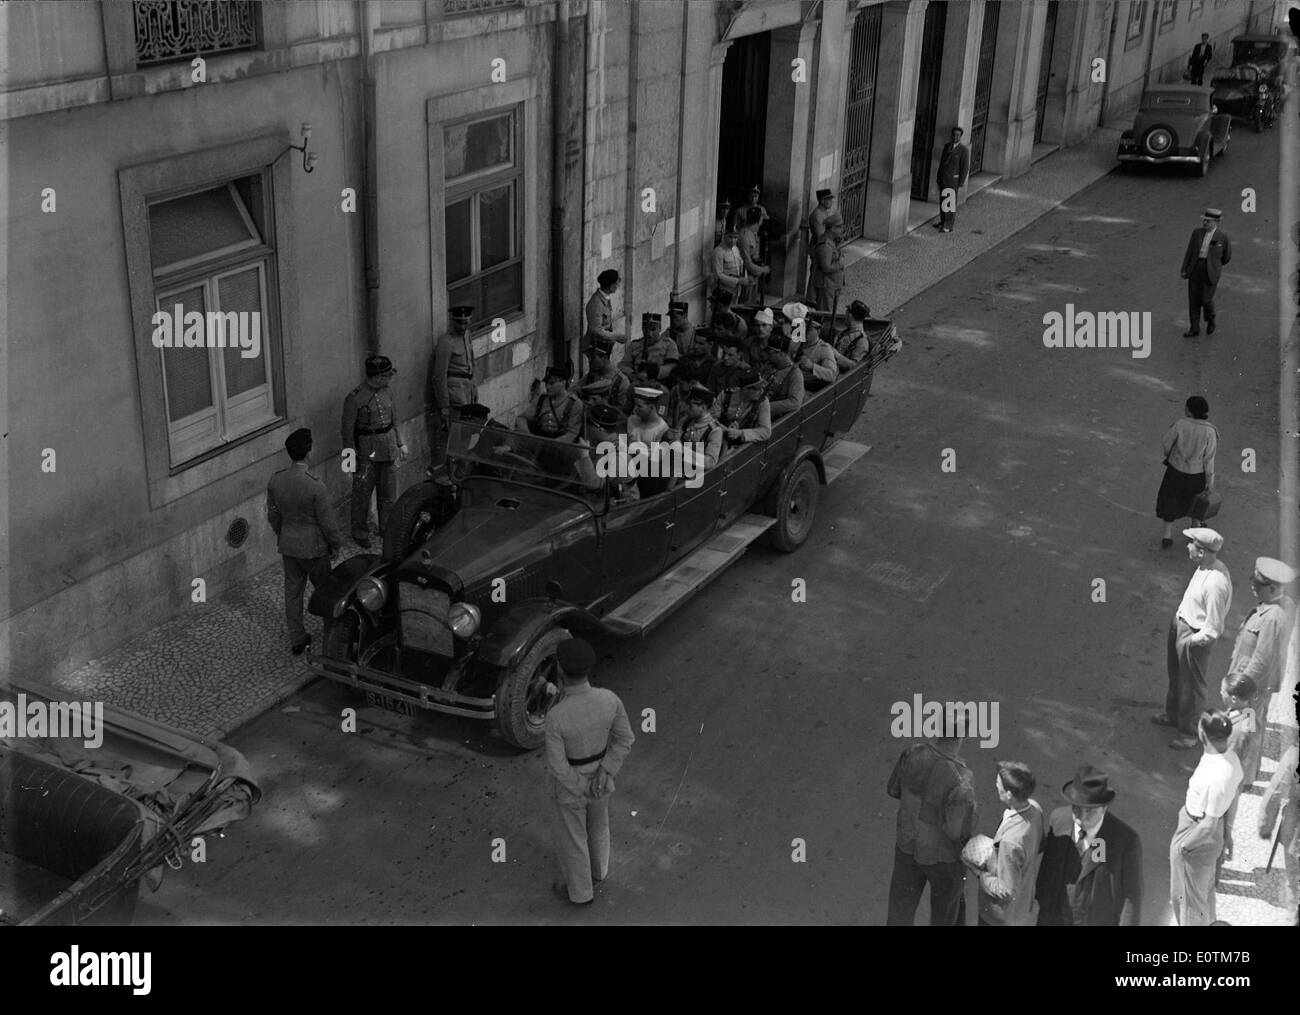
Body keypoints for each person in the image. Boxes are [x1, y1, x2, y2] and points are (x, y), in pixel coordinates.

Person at [544, 637, 635, 906]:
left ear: (560, 670)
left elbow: (558, 765)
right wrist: (605, 772)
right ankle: (600, 871)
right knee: (598, 827)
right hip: (601, 782)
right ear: (588, 669)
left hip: (572, 787)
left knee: (574, 840)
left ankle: (581, 894)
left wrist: (580, 785)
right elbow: (625, 739)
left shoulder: (556, 717)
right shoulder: (609, 699)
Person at [885, 733, 978, 926]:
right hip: (942, 859)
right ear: (962, 737)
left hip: (906, 846)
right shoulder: (961, 778)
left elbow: (893, 789)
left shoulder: (911, 754)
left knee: (899, 911)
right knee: (945, 916)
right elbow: (957, 832)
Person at [266, 428, 343, 655]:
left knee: (292, 593)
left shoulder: (276, 480)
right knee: (326, 592)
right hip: (315, 549)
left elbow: (272, 514)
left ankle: (297, 639)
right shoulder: (315, 485)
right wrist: (336, 544)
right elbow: (328, 523)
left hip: (289, 546)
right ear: (309, 452)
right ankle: (331, 634)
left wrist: (283, 533)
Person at [1035, 764, 1143, 926]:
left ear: (1104, 808)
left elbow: (1132, 898)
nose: (1081, 818)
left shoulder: (1126, 841)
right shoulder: (1058, 819)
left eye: (1090, 811)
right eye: (1077, 809)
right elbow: (1046, 872)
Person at [1155, 528, 1233, 749]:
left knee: (1191, 686)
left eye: (1191, 544)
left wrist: (1191, 641)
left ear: (1201, 552)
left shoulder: (1214, 583)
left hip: (1194, 634)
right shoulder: (1205, 566)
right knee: (1176, 675)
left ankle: (1189, 733)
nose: (1187, 547)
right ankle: (1173, 715)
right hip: (1182, 624)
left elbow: (1214, 627)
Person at [1169, 711, 1241, 926]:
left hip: (1197, 832)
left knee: (1187, 900)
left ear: (1202, 733)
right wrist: (1227, 832)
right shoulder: (1230, 759)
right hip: (1212, 829)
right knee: (1203, 895)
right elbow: (1233, 797)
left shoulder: (1215, 776)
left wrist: (1183, 846)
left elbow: (1208, 824)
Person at [341, 354, 407, 548]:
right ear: (377, 377)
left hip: (388, 449)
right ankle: (359, 532)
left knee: (388, 494)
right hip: (366, 453)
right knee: (362, 495)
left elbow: (396, 418)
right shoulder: (354, 398)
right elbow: (346, 431)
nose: (389, 379)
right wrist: (349, 460)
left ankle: (386, 527)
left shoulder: (388, 391)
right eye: (387, 376)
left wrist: (402, 443)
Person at [1224, 557, 1297, 732]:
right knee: (1246, 730)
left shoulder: (1273, 617)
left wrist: (1238, 689)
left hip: (1250, 687)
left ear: (1272, 588)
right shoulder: (1280, 604)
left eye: (1258, 583)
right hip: (1252, 684)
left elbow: (1262, 660)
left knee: (1243, 734)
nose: (1252, 585)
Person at [972, 761, 1044, 926]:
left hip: (999, 916)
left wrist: (981, 874)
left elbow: (1006, 890)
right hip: (1023, 904)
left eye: (998, 784)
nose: (996, 786)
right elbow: (1040, 844)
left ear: (1009, 794)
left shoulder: (1010, 842)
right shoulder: (1035, 809)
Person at [1156, 395, 1218, 548]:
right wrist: (1210, 483)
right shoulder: (1210, 432)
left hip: (1175, 471)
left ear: (1190, 411)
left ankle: (1167, 535)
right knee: (1196, 504)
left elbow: (1166, 444)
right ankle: (1195, 533)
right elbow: (1209, 459)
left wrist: (1170, 454)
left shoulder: (1180, 424)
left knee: (1170, 500)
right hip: (1196, 475)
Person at [428, 305, 477, 475]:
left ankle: (460, 473)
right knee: (454, 439)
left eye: (466, 322)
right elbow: (439, 376)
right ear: (452, 321)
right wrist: (444, 406)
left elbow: (471, 364)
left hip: (468, 392)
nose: (463, 326)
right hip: (454, 397)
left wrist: (474, 391)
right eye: (459, 323)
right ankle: (451, 475)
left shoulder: (467, 336)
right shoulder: (446, 342)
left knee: (466, 435)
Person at [1217, 672, 1258, 871]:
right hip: (1232, 783)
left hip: (1226, 787)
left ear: (1234, 698)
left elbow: (1228, 763)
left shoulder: (1238, 732)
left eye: (1222, 692)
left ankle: (1213, 872)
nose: (1220, 694)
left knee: (1218, 829)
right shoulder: (1247, 712)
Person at [1179, 208, 1231, 337]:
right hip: (1195, 268)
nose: (1205, 223)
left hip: (1211, 271)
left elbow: (1226, 257)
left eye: (1208, 221)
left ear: (1216, 222)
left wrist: (1215, 266)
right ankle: (1194, 328)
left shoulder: (1223, 238)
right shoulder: (1196, 233)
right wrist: (1184, 269)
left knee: (1206, 300)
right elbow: (1189, 251)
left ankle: (1211, 319)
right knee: (1194, 300)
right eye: (1204, 221)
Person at [668, 385, 724, 477]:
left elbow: (710, 462)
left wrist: (683, 451)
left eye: (691, 406)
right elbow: (675, 439)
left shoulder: (714, 431)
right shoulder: (686, 420)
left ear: (703, 407)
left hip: (695, 475)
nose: (687, 409)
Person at [518, 366, 584, 441]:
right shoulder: (541, 399)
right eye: (546, 383)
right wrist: (527, 435)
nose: (548, 387)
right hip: (539, 440)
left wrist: (553, 444)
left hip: (562, 445)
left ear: (563, 382)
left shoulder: (575, 403)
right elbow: (522, 418)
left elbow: (572, 433)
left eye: (552, 383)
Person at [713, 368, 771, 450]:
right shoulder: (726, 395)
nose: (762, 391)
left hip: (742, 445)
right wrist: (724, 430)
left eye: (762, 388)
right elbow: (712, 418)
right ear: (745, 389)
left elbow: (766, 431)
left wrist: (741, 433)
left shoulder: (762, 401)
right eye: (758, 389)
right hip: (718, 436)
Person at [576, 336, 633, 415]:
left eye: (592, 358)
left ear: (604, 358)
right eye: (588, 358)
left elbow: (624, 414)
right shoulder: (590, 376)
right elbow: (573, 391)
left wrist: (604, 405)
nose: (589, 361)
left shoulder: (621, 382)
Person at [620, 313, 679, 385]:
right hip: (637, 382)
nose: (649, 334)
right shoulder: (634, 345)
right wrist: (633, 375)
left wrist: (654, 372)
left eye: (653, 329)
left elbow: (672, 368)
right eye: (645, 329)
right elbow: (623, 366)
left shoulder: (669, 344)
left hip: (659, 384)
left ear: (660, 328)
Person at [761, 332, 805, 421]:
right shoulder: (769, 365)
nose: (767, 356)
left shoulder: (795, 374)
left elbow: (795, 402)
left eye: (770, 353)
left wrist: (766, 407)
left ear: (781, 354)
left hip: (772, 416)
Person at [935, 127, 970, 233]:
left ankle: (948, 225)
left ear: (961, 136)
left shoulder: (963, 150)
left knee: (950, 203)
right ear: (951, 135)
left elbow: (965, 167)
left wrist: (961, 182)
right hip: (943, 179)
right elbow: (942, 163)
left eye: (958, 135)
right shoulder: (947, 146)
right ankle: (943, 221)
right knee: (943, 201)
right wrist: (938, 177)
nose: (956, 137)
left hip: (953, 181)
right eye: (954, 134)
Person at [809, 214, 844, 312]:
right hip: (826, 285)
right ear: (832, 228)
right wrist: (840, 264)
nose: (842, 229)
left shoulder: (831, 242)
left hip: (832, 284)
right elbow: (826, 268)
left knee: (830, 314)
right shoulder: (825, 245)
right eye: (839, 227)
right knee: (825, 314)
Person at [585, 269, 626, 350]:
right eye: (616, 283)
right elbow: (596, 330)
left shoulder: (605, 297)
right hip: (595, 349)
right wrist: (616, 336)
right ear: (610, 286)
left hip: (603, 347)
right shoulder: (596, 303)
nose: (618, 285)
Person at [738, 206, 771, 299]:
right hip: (746, 277)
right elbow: (746, 262)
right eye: (761, 217)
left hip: (753, 276)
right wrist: (763, 270)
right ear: (759, 220)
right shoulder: (745, 236)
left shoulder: (753, 233)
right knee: (745, 305)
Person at [798, 317, 839, 390]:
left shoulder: (824, 348)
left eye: (809, 330)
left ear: (818, 331)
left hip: (809, 388)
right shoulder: (798, 343)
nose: (805, 332)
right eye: (804, 328)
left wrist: (812, 367)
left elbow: (831, 375)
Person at [832, 299, 872, 371]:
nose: (845, 315)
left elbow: (854, 367)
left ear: (850, 315)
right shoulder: (844, 333)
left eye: (846, 312)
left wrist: (836, 355)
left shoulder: (862, 341)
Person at [711, 228, 746, 301]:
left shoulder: (736, 249)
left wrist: (745, 279)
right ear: (724, 236)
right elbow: (718, 275)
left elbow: (741, 264)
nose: (733, 240)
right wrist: (737, 281)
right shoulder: (718, 252)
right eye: (730, 237)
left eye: (735, 237)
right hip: (723, 291)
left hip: (736, 290)